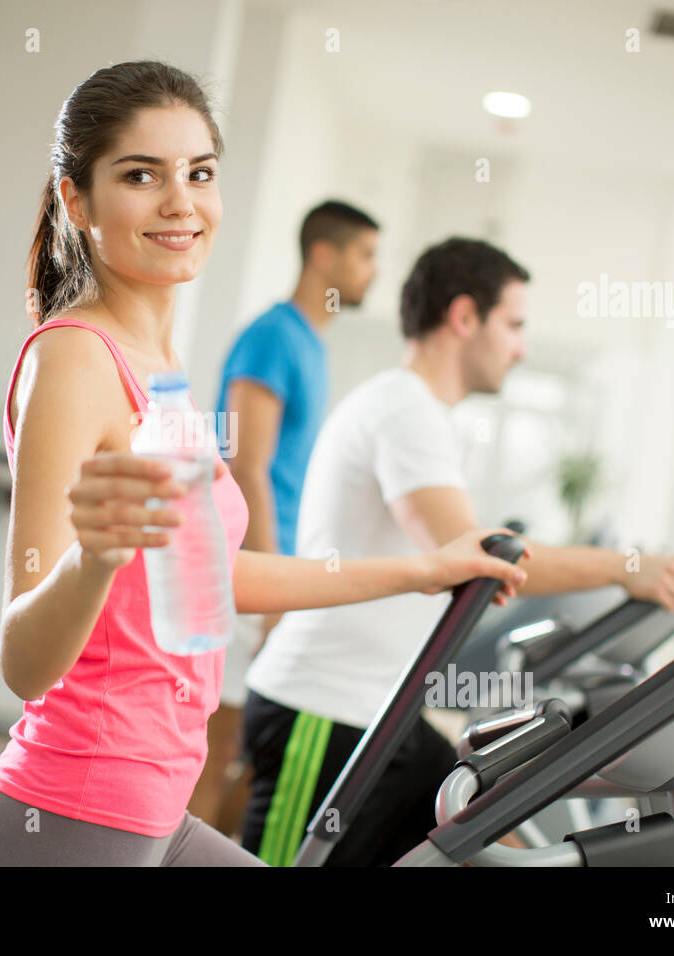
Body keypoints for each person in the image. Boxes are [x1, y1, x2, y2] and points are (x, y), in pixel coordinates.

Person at [0, 62, 528, 867]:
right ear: (76, 199)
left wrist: (426, 568)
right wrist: (94, 557)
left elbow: (216, 578)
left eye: (200, 173)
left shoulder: (160, 369)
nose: (180, 201)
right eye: (141, 175)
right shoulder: (76, 361)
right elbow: (22, 662)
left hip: (157, 814)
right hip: (73, 816)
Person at [241, 236, 674, 866]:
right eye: (513, 324)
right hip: (324, 714)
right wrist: (629, 569)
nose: (521, 346)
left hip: (384, 719)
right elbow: (481, 557)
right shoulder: (403, 408)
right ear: (464, 317)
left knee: (503, 849)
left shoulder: (422, 413)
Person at [190, 201, 379, 832]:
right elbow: (246, 463)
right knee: (216, 752)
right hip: (243, 567)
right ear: (324, 255)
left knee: (247, 751)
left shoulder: (311, 343)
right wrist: (274, 588)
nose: (373, 272)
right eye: (365, 255)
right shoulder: (273, 335)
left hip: (274, 566)